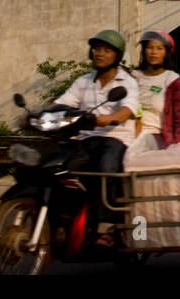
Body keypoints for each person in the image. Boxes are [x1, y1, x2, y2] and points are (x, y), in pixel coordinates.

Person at [54, 29, 139, 246]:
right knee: (61, 169)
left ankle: (107, 227)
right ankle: (65, 217)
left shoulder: (127, 82)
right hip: (87, 139)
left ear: (117, 55)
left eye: (106, 50)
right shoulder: (83, 81)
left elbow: (128, 110)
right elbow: (62, 103)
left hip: (117, 139)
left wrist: (110, 117)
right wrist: (40, 116)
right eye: (96, 48)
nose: (99, 53)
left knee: (107, 168)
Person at [132, 30, 180, 148]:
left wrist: (177, 146)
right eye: (150, 47)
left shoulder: (172, 81)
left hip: (158, 138)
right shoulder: (133, 77)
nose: (154, 52)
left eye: (159, 48)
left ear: (166, 53)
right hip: (130, 136)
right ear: (144, 50)